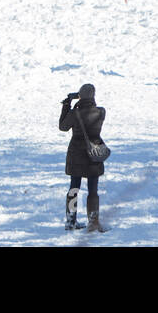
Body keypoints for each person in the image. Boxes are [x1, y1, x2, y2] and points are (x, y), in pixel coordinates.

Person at [59, 84, 106, 231]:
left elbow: (63, 126)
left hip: (76, 154)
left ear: (80, 95)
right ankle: (93, 221)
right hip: (93, 153)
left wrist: (67, 104)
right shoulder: (100, 112)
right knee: (93, 189)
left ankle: (70, 221)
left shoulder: (75, 113)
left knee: (74, 188)